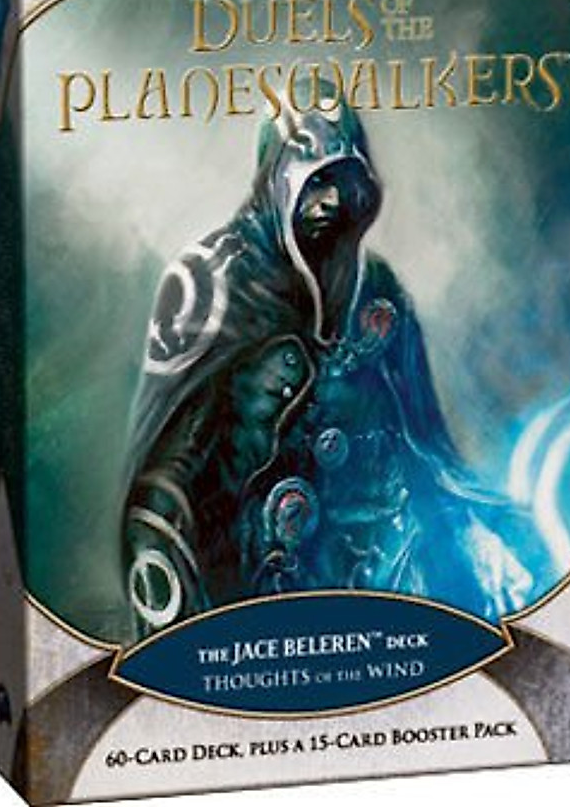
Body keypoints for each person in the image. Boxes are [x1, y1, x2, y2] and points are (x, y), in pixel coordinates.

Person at [122, 92, 543, 636]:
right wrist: (167, 552)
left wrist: (472, 530)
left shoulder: (379, 288)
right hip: (254, 570)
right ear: (275, 179)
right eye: (315, 182)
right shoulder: (215, 280)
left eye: (342, 182)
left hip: (378, 560)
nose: (329, 202)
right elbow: (170, 461)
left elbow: (422, 439)